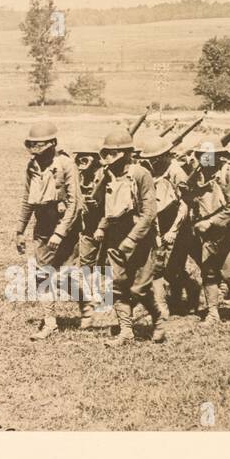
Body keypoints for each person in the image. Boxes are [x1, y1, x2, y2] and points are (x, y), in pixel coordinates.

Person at [92, 130, 164, 344]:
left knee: (138, 287)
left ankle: (158, 318)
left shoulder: (141, 174)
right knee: (116, 284)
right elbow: (105, 206)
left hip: (140, 239)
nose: (107, 159)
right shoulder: (107, 176)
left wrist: (132, 239)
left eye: (112, 154)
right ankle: (126, 331)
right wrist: (102, 228)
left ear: (124, 153)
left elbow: (149, 213)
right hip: (115, 237)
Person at [13, 121, 80, 340]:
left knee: (68, 275)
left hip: (65, 225)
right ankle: (50, 322)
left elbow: (74, 203)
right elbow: (27, 199)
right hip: (42, 224)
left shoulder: (66, 164)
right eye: (33, 146)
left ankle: (87, 308)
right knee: (42, 274)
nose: (37, 152)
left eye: (41, 147)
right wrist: (20, 230)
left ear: (53, 144)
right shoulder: (32, 166)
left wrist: (60, 232)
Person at [181, 137, 230, 324]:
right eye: (201, 155)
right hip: (207, 233)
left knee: (229, 274)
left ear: (219, 156)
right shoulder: (198, 173)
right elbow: (193, 196)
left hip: (229, 231)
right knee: (208, 272)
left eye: (208, 156)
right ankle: (213, 313)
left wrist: (211, 222)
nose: (204, 158)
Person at [139, 134, 197, 319]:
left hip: (179, 226)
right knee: (156, 267)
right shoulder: (150, 172)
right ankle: (162, 306)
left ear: (165, 155)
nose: (152, 162)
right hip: (158, 223)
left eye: (155, 158)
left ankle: (191, 291)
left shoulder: (177, 173)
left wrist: (173, 230)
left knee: (173, 269)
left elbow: (185, 204)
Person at [73, 140, 108, 330]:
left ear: (96, 158)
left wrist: (102, 223)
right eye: (78, 156)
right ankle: (91, 305)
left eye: (85, 156)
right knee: (86, 265)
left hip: (110, 225)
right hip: (87, 227)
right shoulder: (78, 175)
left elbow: (114, 204)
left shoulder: (106, 175)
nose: (81, 159)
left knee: (110, 266)